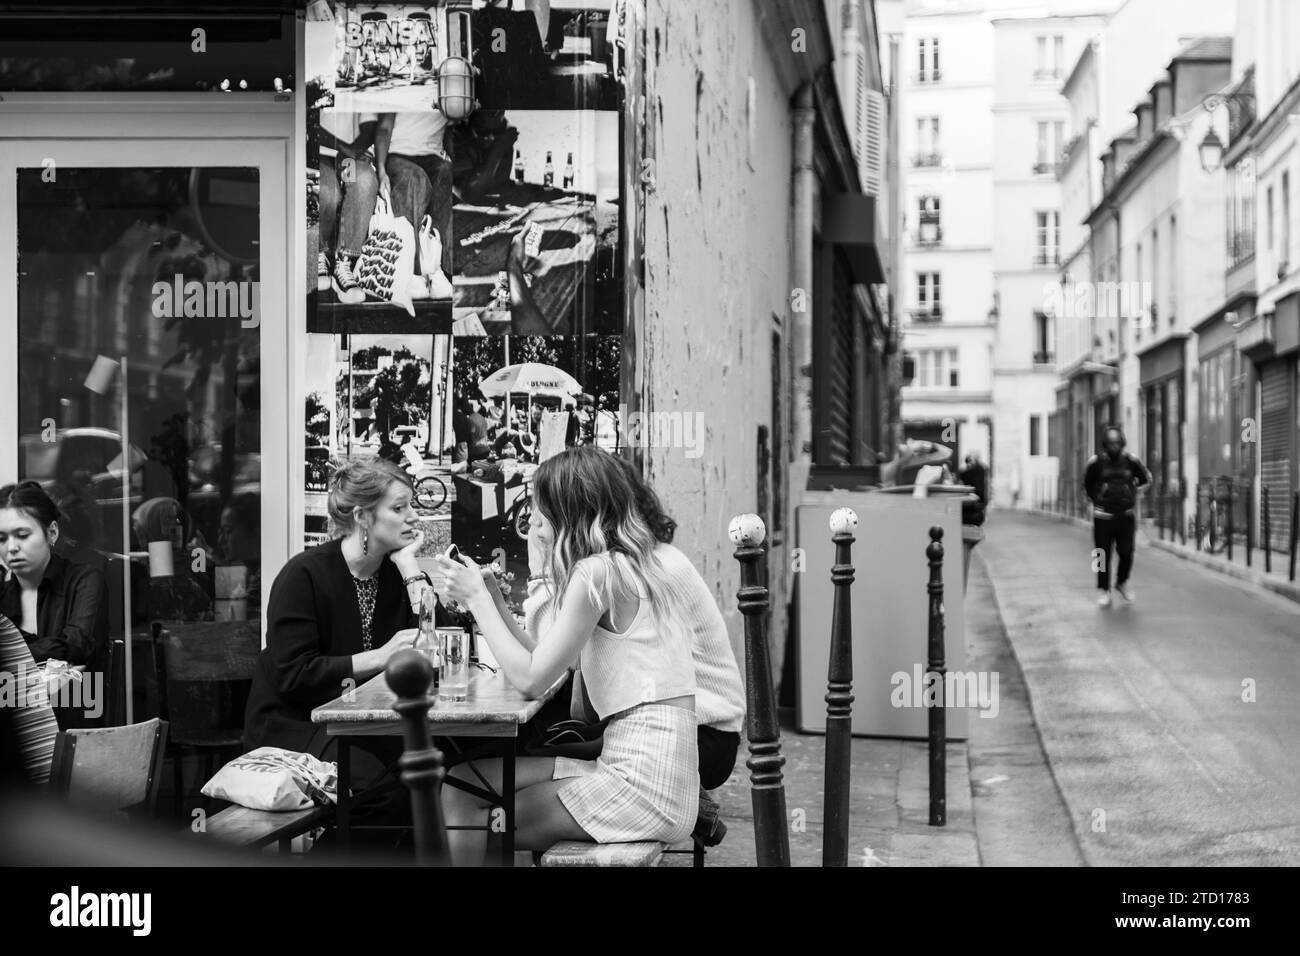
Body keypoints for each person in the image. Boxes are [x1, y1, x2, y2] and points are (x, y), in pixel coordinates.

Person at [435, 446, 700, 863]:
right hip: (641, 768)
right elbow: (549, 663)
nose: (534, 527)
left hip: (642, 785)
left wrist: (476, 602)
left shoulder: (597, 573)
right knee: (463, 781)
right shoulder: (630, 565)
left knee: (476, 817)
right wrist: (493, 601)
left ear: (566, 515)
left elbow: (531, 680)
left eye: (539, 515)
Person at [242, 459, 452, 818]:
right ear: (363, 517)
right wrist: (380, 657)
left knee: (443, 770)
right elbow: (293, 675)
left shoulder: (397, 574)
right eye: (399, 508)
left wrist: (411, 569)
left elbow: (440, 647)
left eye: (411, 505)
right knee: (390, 788)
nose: (414, 516)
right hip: (299, 725)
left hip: (369, 725)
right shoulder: (303, 576)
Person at [0, 481, 109, 670]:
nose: (11, 548)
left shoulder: (84, 581)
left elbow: (76, 646)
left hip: (76, 698)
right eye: (1, 538)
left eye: (23, 534)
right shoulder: (4, 592)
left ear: (52, 532)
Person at [1083, 427, 1151, 607]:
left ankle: (1122, 582)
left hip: (1125, 516)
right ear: (1105, 444)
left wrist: (1132, 493)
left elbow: (1146, 479)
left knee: (1127, 552)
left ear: (1122, 443)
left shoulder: (1131, 461)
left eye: (1117, 442)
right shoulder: (1096, 463)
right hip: (1102, 516)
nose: (1114, 446)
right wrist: (1095, 499)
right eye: (1110, 443)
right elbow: (1087, 484)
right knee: (1101, 556)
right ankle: (1103, 590)